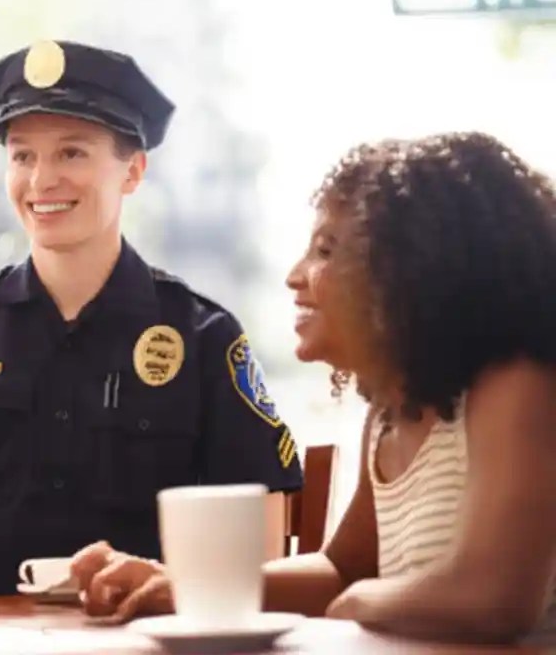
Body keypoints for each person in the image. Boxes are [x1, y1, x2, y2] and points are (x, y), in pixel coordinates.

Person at [0, 40, 303, 613]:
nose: (42, 180)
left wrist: (175, 587)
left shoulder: (203, 336)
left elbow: (261, 549)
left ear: (133, 171)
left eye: (72, 153)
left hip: (147, 635)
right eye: (22, 157)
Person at [71, 132, 556, 646]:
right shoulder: (389, 415)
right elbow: (342, 569)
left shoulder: (515, 383)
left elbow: (493, 599)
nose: (295, 276)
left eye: (325, 250)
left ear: (412, 267)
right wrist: (184, 586)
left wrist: (357, 603)